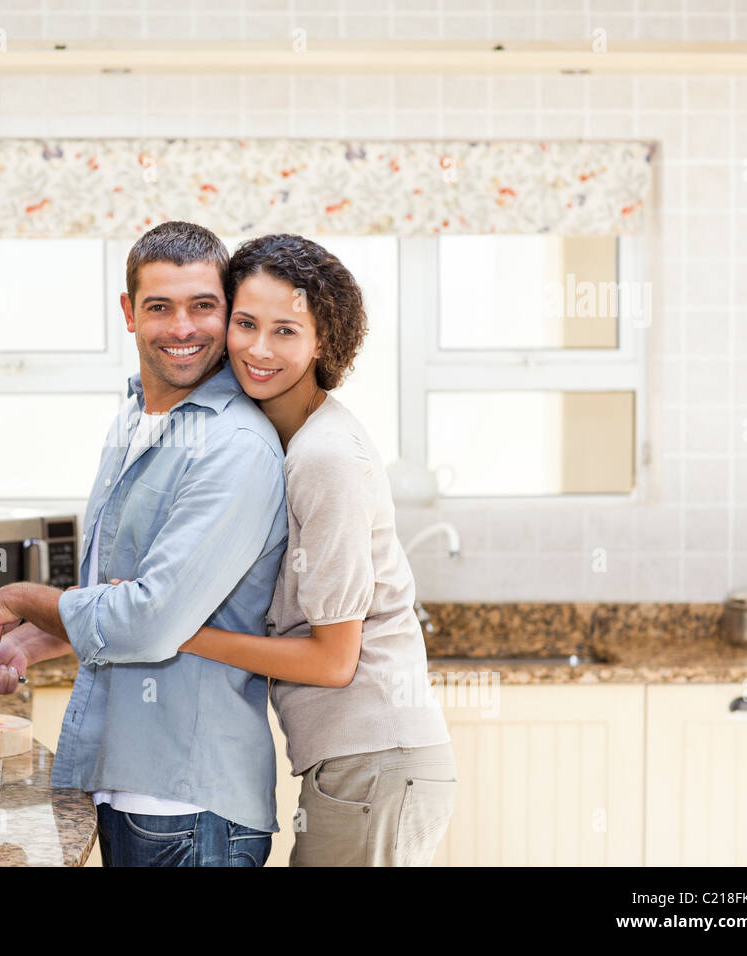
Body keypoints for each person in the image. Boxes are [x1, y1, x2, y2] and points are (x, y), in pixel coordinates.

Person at [0, 220, 289, 867]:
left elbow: (150, 622)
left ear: (232, 315)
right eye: (160, 306)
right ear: (129, 313)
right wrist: (31, 640)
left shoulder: (233, 446)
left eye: (203, 307)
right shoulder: (135, 418)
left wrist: (20, 596)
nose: (181, 327)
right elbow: (116, 599)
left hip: (189, 807)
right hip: (129, 787)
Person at [167, 233, 457, 866]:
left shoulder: (324, 457)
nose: (258, 349)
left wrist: (177, 633)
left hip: (374, 763)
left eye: (286, 331)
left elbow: (332, 661)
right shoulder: (291, 441)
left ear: (324, 341)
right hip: (363, 766)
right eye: (245, 323)